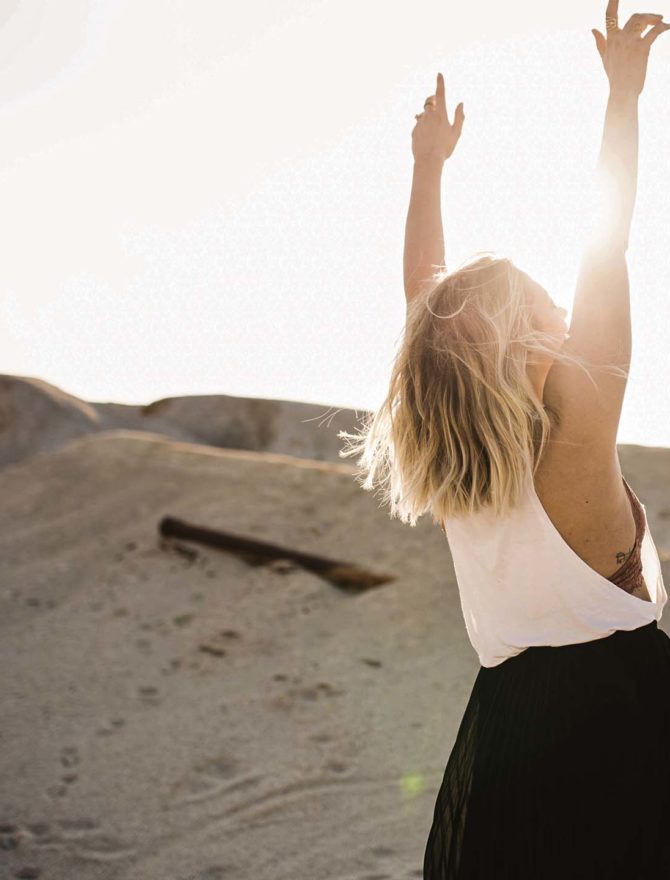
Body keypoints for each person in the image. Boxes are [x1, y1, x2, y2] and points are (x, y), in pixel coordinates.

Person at [338, 2, 670, 876]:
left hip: (503, 741)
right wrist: (625, 96)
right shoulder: (575, 436)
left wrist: (427, 169)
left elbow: (425, 298)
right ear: (517, 341)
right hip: (621, 733)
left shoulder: (465, 467)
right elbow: (610, 250)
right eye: (549, 310)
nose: (567, 316)